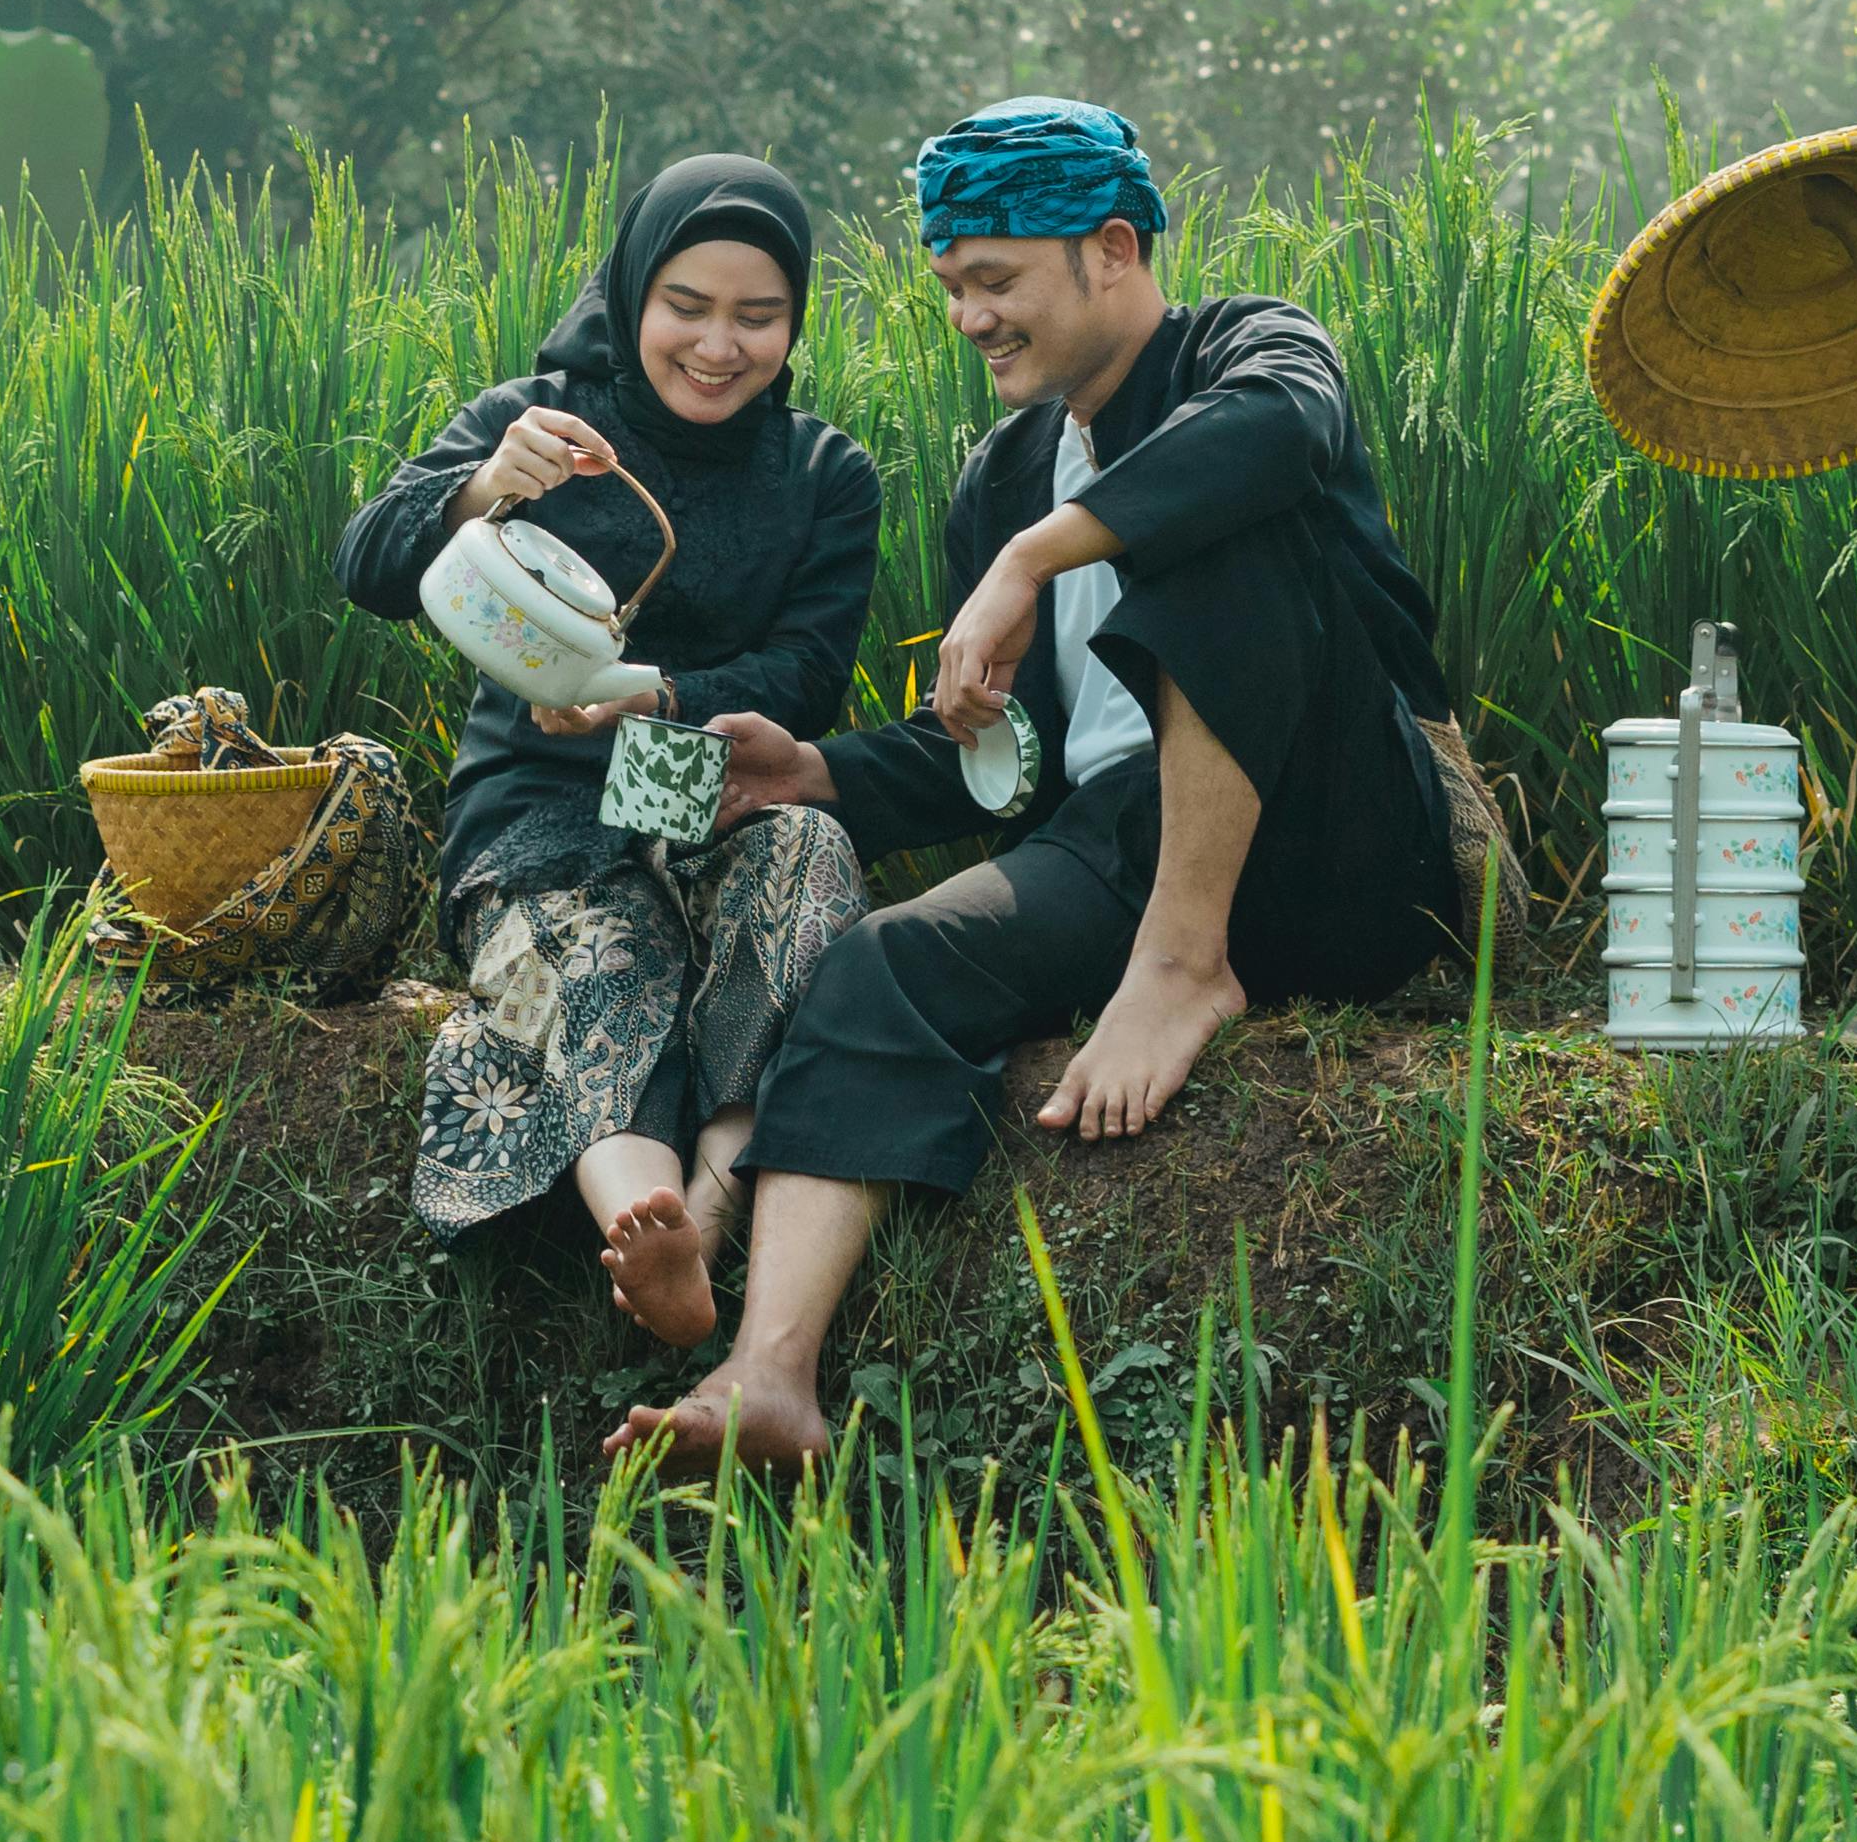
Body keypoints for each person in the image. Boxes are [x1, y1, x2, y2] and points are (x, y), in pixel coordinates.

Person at [612, 96, 1476, 1475]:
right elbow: (1000, 759)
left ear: (1111, 248)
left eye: (995, 279)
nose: (969, 316)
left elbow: (1267, 440)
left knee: (1203, 508)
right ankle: (767, 1371)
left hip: (1342, 835)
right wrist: (818, 771)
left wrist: (1034, 561)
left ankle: (1185, 964)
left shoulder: (1247, 349)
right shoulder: (1003, 472)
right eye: (952, 285)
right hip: (1114, 838)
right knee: (876, 966)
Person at [338, 155, 883, 1346]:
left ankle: (702, 1219)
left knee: (808, 863)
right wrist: (483, 486)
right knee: (603, 952)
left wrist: (646, 692)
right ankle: (639, 1207)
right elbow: (366, 562)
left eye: (757, 316)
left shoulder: (823, 473)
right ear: (632, 290)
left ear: (794, 323)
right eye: (685, 305)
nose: (717, 344)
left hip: (709, 784)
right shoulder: (530, 420)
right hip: (540, 798)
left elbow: (805, 673)